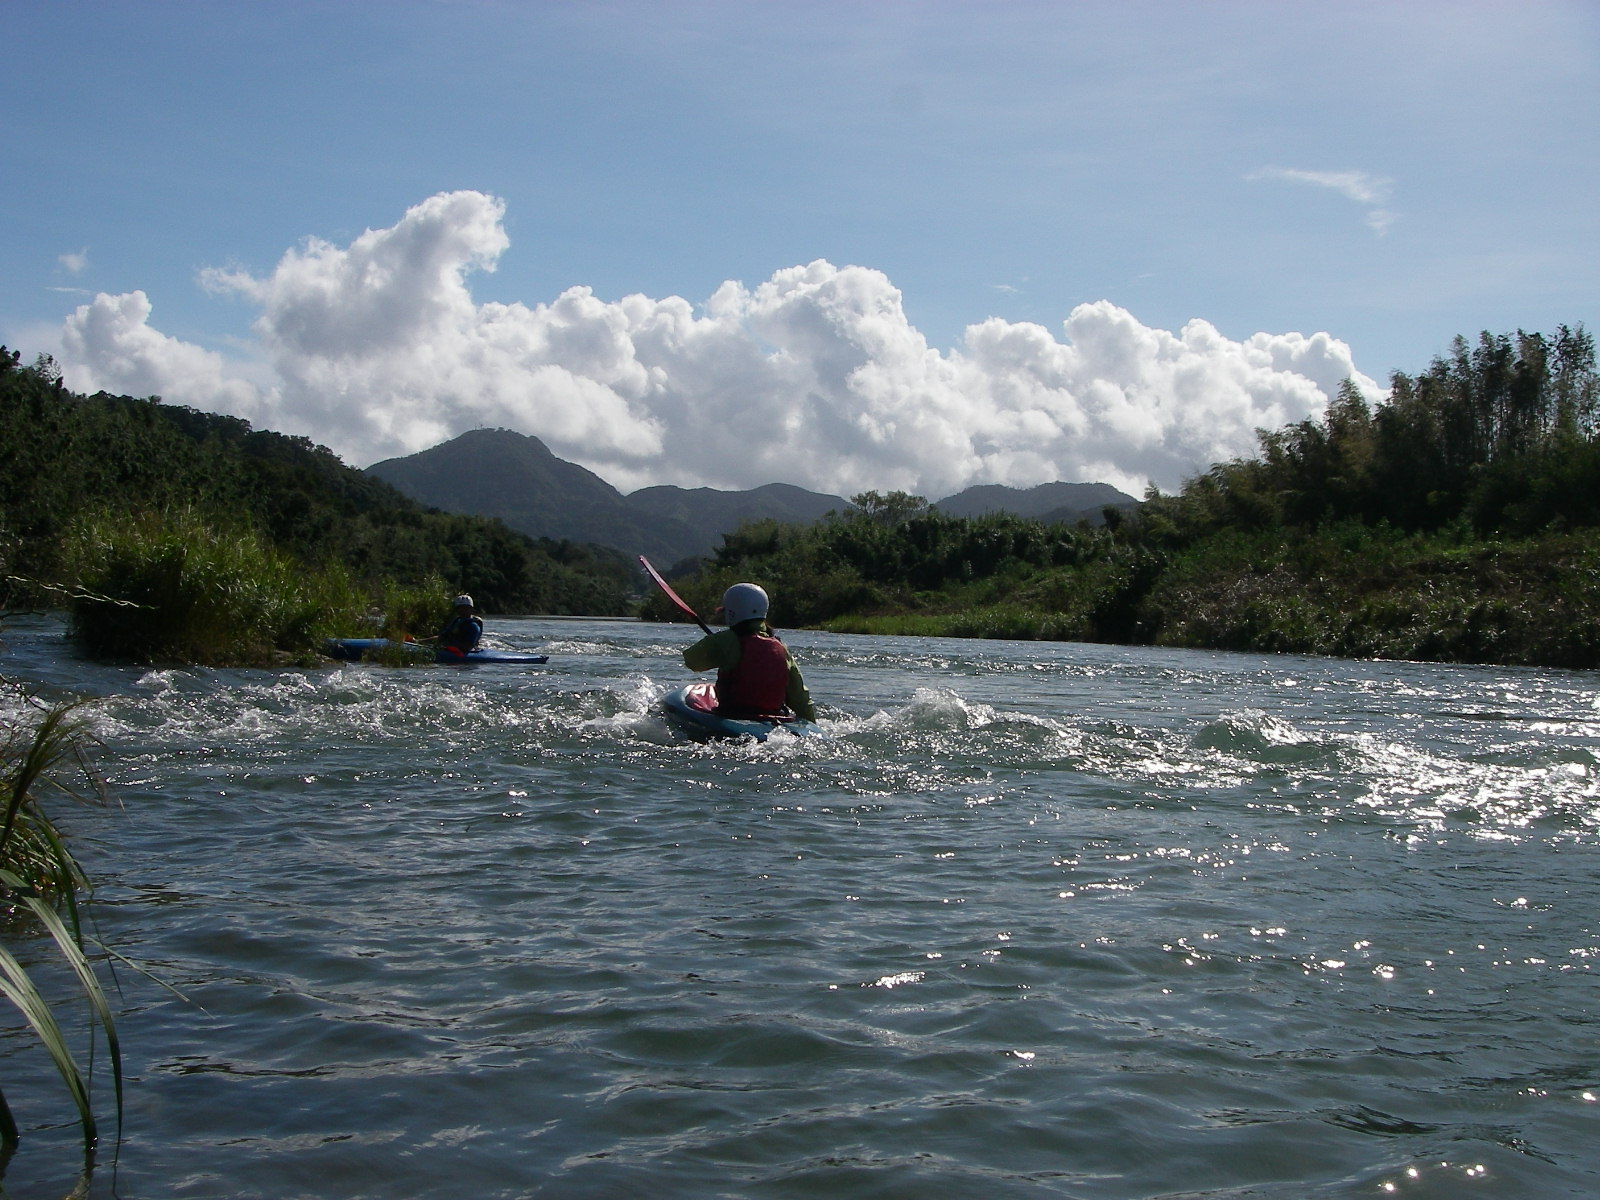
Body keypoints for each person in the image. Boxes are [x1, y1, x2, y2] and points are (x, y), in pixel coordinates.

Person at [683, 583, 816, 721]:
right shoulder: (781, 647)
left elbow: (692, 661)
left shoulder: (725, 640)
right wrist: (812, 727)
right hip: (772, 722)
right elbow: (800, 698)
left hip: (732, 716)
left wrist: (712, 643)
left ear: (732, 612)